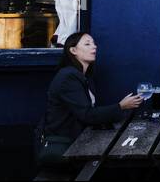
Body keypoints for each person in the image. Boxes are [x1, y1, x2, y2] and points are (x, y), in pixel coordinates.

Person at [34, 31, 142, 168]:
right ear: (73, 50)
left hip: (80, 141)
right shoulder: (68, 77)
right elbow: (86, 115)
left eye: (94, 43)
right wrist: (120, 106)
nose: (94, 47)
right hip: (65, 147)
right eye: (87, 44)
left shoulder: (84, 77)